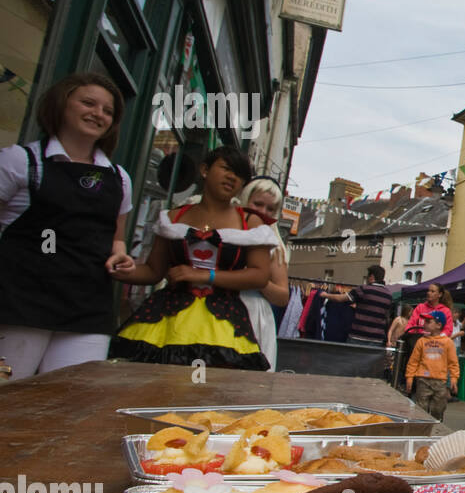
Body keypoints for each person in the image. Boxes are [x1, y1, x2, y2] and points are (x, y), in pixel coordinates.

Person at [0, 73, 134, 379]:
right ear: (61, 104)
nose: (98, 114)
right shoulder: (20, 161)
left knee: (72, 404)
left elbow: (117, 240)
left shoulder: (119, 177)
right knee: (7, 396)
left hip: (86, 308)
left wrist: (120, 256)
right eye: (88, 103)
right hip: (19, 302)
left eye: (108, 110)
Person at [110, 147, 274, 370]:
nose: (232, 177)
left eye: (239, 175)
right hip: (166, 319)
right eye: (226, 168)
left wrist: (204, 275)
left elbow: (259, 275)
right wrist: (124, 269)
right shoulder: (173, 217)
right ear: (205, 170)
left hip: (223, 322)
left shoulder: (251, 222)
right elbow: (153, 271)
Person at [236, 177, 290, 371]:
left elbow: (283, 296)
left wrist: (256, 279)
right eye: (257, 204)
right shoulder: (226, 231)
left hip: (253, 315)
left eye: (270, 209)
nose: (262, 212)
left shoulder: (274, 246)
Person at [405, 310, 459, 423]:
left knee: (438, 409)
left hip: (441, 382)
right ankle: (421, 429)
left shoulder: (448, 342)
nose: (425, 324)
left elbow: (453, 363)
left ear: (439, 325)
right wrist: (409, 378)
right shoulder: (421, 341)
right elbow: (413, 361)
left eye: (429, 321)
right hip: (423, 380)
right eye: (425, 321)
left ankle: (436, 428)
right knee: (421, 408)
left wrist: (454, 379)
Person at [320, 264, 391, 346]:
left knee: (352, 358)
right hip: (377, 339)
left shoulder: (363, 289)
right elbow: (385, 316)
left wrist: (325, 295)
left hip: (358, 335)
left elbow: (341, 298)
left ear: (371, 276)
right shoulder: (388, 295)